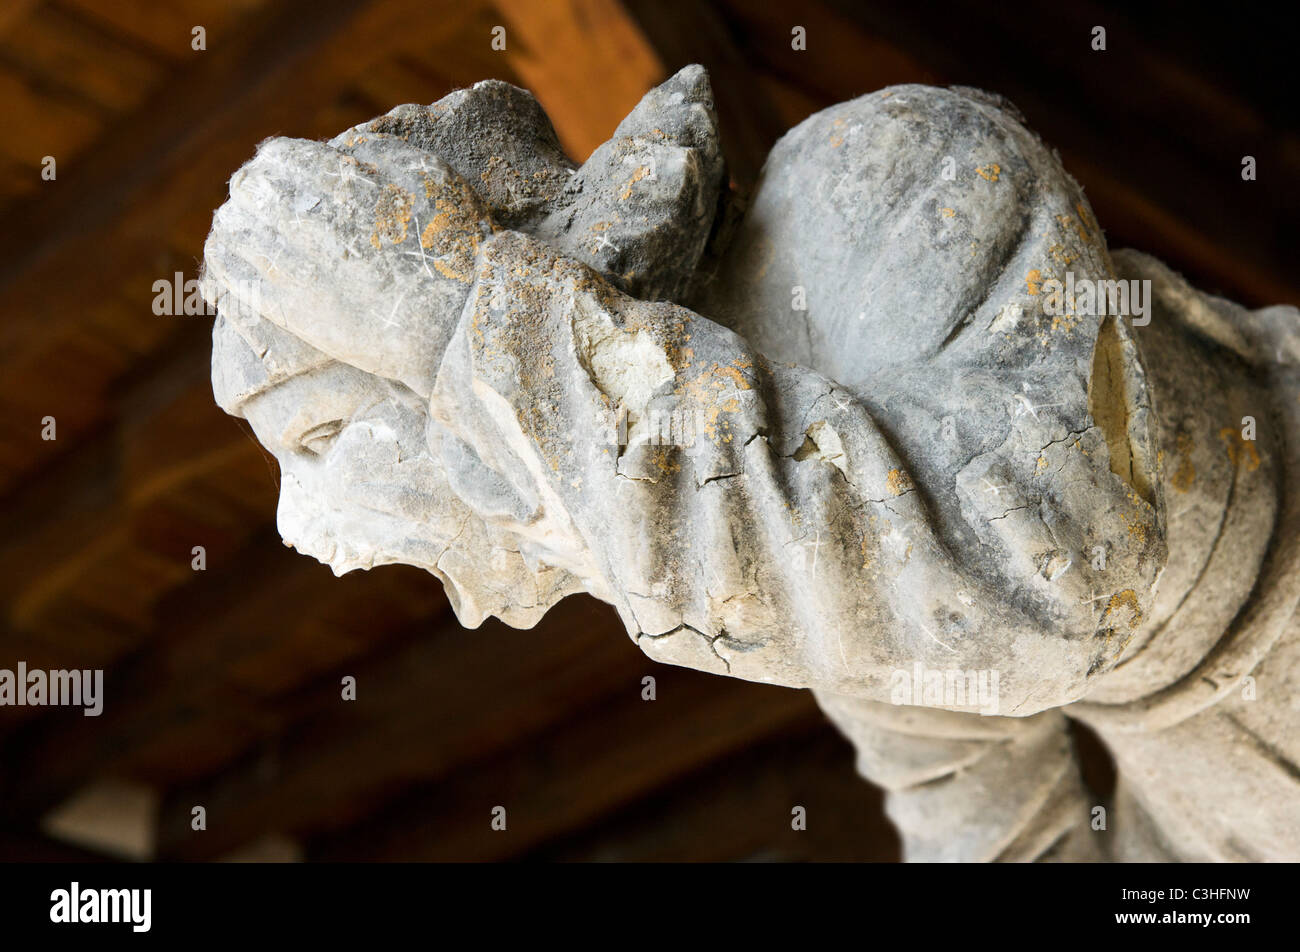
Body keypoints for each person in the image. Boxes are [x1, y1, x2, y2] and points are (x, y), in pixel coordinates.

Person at [206, 68, 1300, 861]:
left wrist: (462, 322)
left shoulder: (872, 175)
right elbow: (975, 806)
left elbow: (1066, 566)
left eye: (320, 442)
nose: (320, 537)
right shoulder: (788, 528)